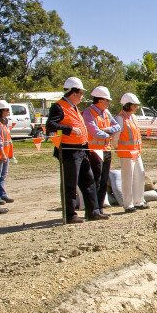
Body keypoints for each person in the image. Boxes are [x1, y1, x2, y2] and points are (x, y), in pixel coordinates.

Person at [46, 77, 107, 223]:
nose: (81, 96)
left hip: (81, 150)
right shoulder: (58, 106)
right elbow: (51, 125)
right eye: (80, 93)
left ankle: (93, 211)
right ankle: (70, 214)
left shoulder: (73, 107)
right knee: (70, 184)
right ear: (73, 93)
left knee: (89, 181)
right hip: (69, 151)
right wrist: (69, 129)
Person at [83, 86, 121, 213]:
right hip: (94, 151)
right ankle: (93, 209)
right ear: (100, 100)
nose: (109, 103)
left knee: (103, 181)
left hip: (106, 150)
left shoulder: (106, 113)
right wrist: (108, 135)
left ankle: (99, 207)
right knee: (95, 180)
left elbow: (117, 126)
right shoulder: (88, 113)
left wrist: (107, 131)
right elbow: (93, 131)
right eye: (107, 101)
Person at [112, 93, 149, 213]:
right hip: (126, 153)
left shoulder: (132, 117)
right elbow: (115, 137)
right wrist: (117, 148)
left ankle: (139, 201)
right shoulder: (120, 118)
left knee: (140, 176)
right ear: (128, 105)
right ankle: (128, 204)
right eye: (135, 105)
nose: (137, 107)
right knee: (127, 179)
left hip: (136, 152)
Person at [0, 100, 16, 204]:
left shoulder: (4, 123)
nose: (8, 112)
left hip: (6, 153)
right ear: (0, 111)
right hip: (0, 154)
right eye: (6, 110)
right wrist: (3, 153)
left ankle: (2, 194)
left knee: (3, 176)